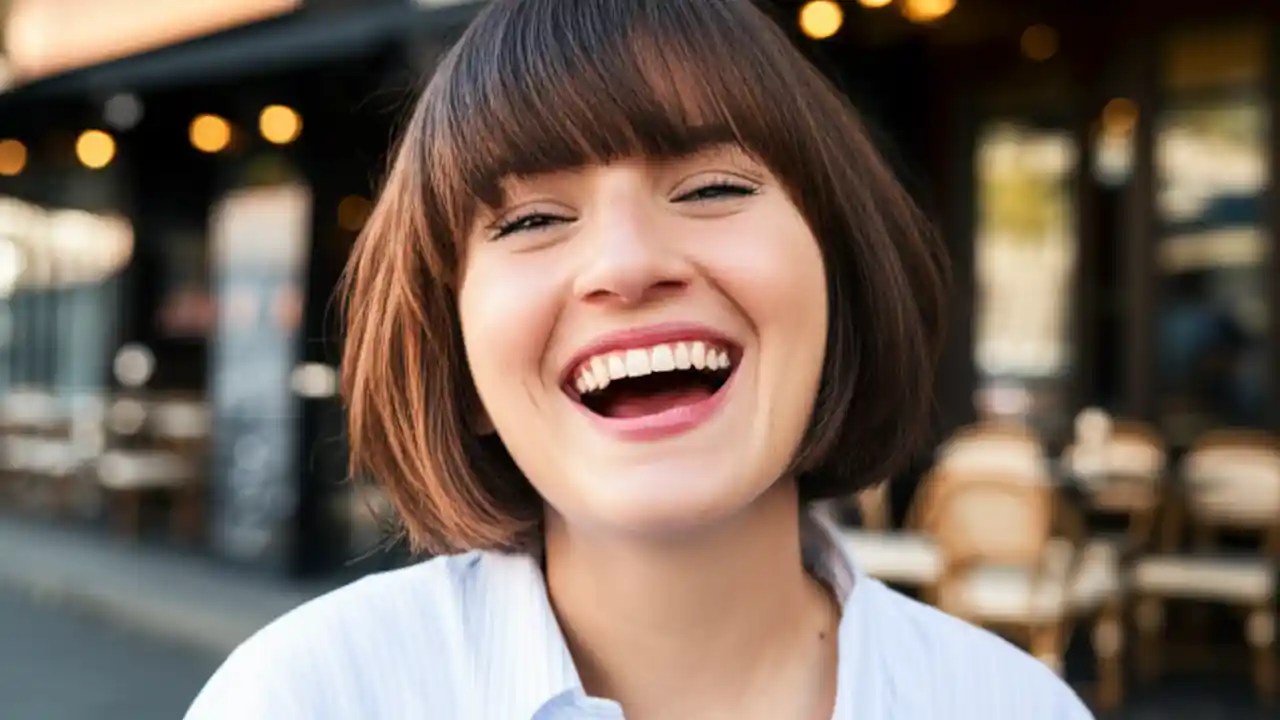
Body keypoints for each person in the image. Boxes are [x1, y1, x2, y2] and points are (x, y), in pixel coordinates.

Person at [186, 0, 1094, 718]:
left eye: (712, 188)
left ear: (839, 290)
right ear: (456, 361)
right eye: (533, 220)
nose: (626, 266)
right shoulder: (307, 699)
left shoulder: (1012, 706)